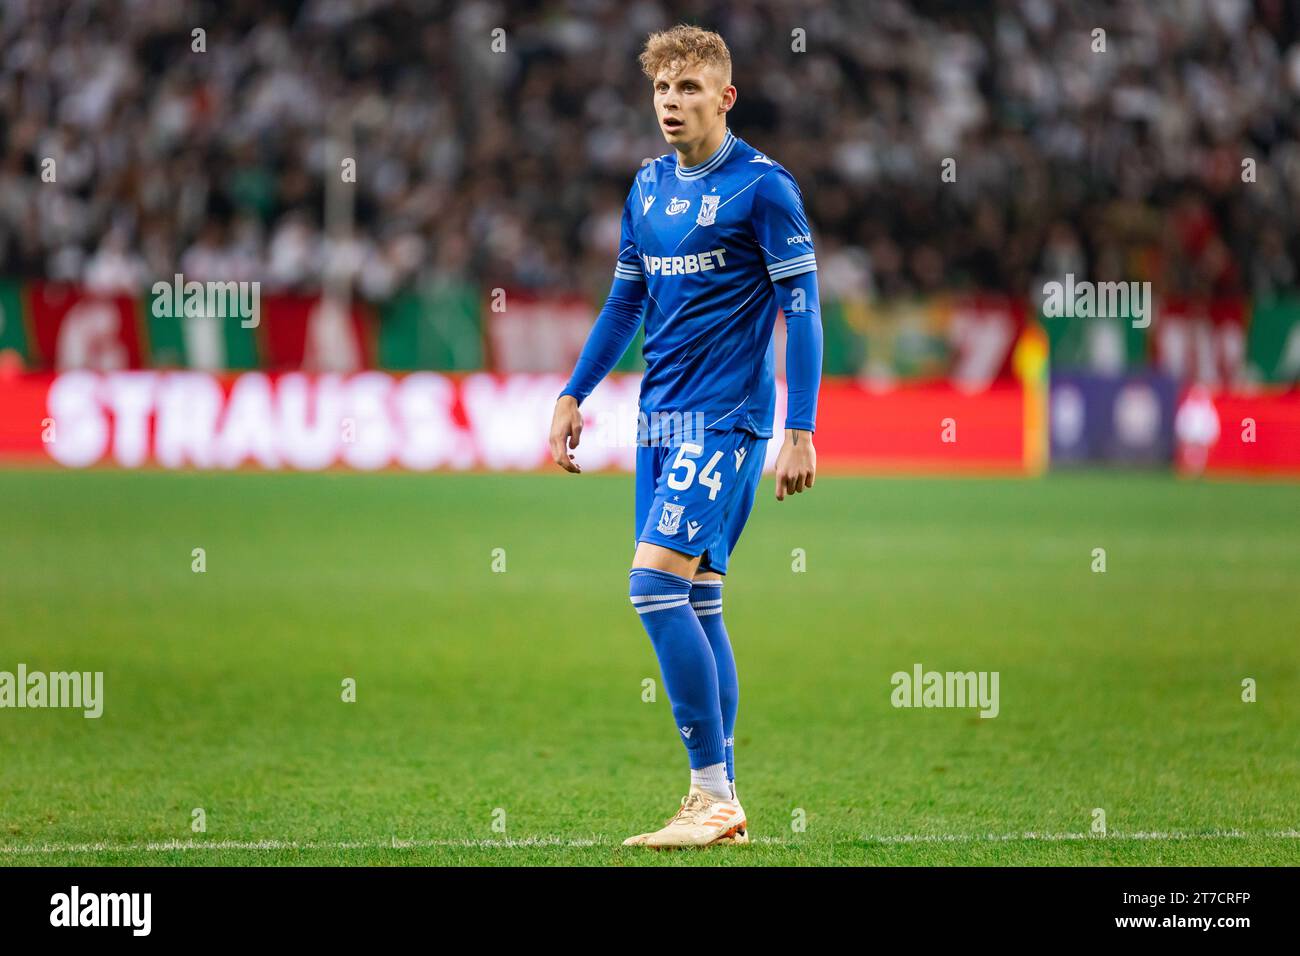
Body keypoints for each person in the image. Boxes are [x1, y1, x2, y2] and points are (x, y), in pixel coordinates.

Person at [548, 24, 823, 849]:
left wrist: (801, 427)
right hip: (658, 421)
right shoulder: (647, 187)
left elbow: (803, 313)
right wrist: (573, 391)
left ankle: (711, 796)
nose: (672, 103)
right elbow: (624, 301)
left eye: (690, 89)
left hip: (726, 420)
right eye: (663, 90)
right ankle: (722, 799)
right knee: (698, 599)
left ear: (725, 96)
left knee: (651, 587)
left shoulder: (764, 189)